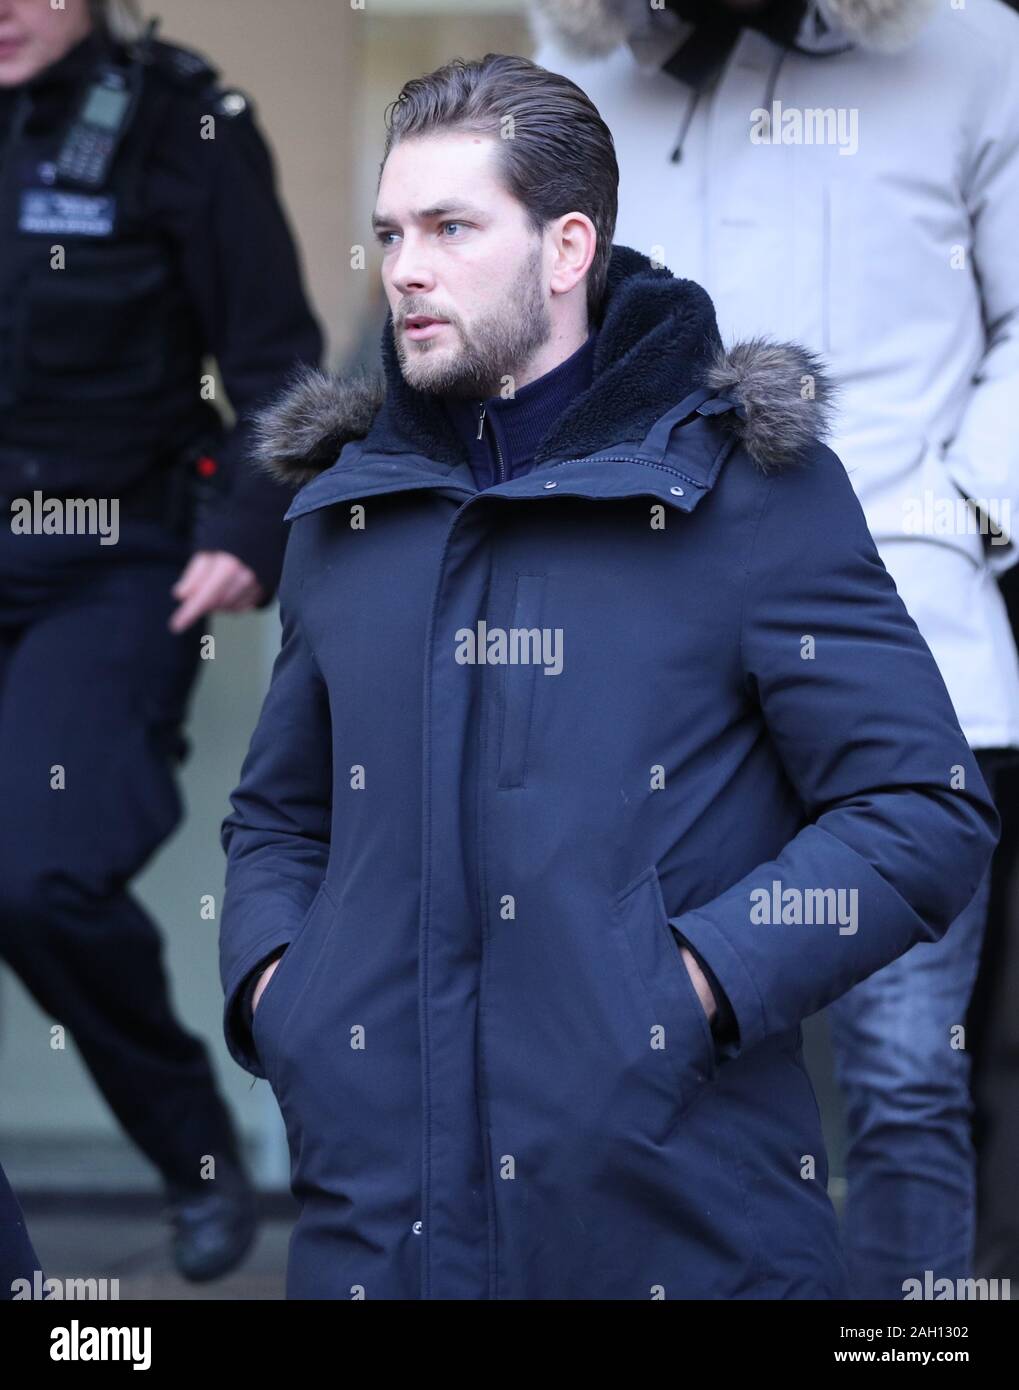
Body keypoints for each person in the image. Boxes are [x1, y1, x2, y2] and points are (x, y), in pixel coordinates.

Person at [218, 51, 997, 1300]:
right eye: (389, 233)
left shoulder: (746, 493)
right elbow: (276, 817)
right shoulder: (344, 512)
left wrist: (691, 985)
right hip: (379, 1239)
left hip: (675, 1237)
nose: (403, 269)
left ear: (566, 246)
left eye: (449, 228)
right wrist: (283, 997)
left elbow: (920, 807)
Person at [529, 0, 1019, 1301]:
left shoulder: (971, 49)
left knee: (904, 1068)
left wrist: (961, 508)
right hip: (644, 664)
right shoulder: (572, 63)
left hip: (905, 644)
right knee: (646, 1044)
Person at [0, 0, 323, 1281]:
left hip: (113, 564)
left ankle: (193, 1139)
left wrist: (253, 525)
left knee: (39, 875)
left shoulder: (186, 122)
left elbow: (282, 364)